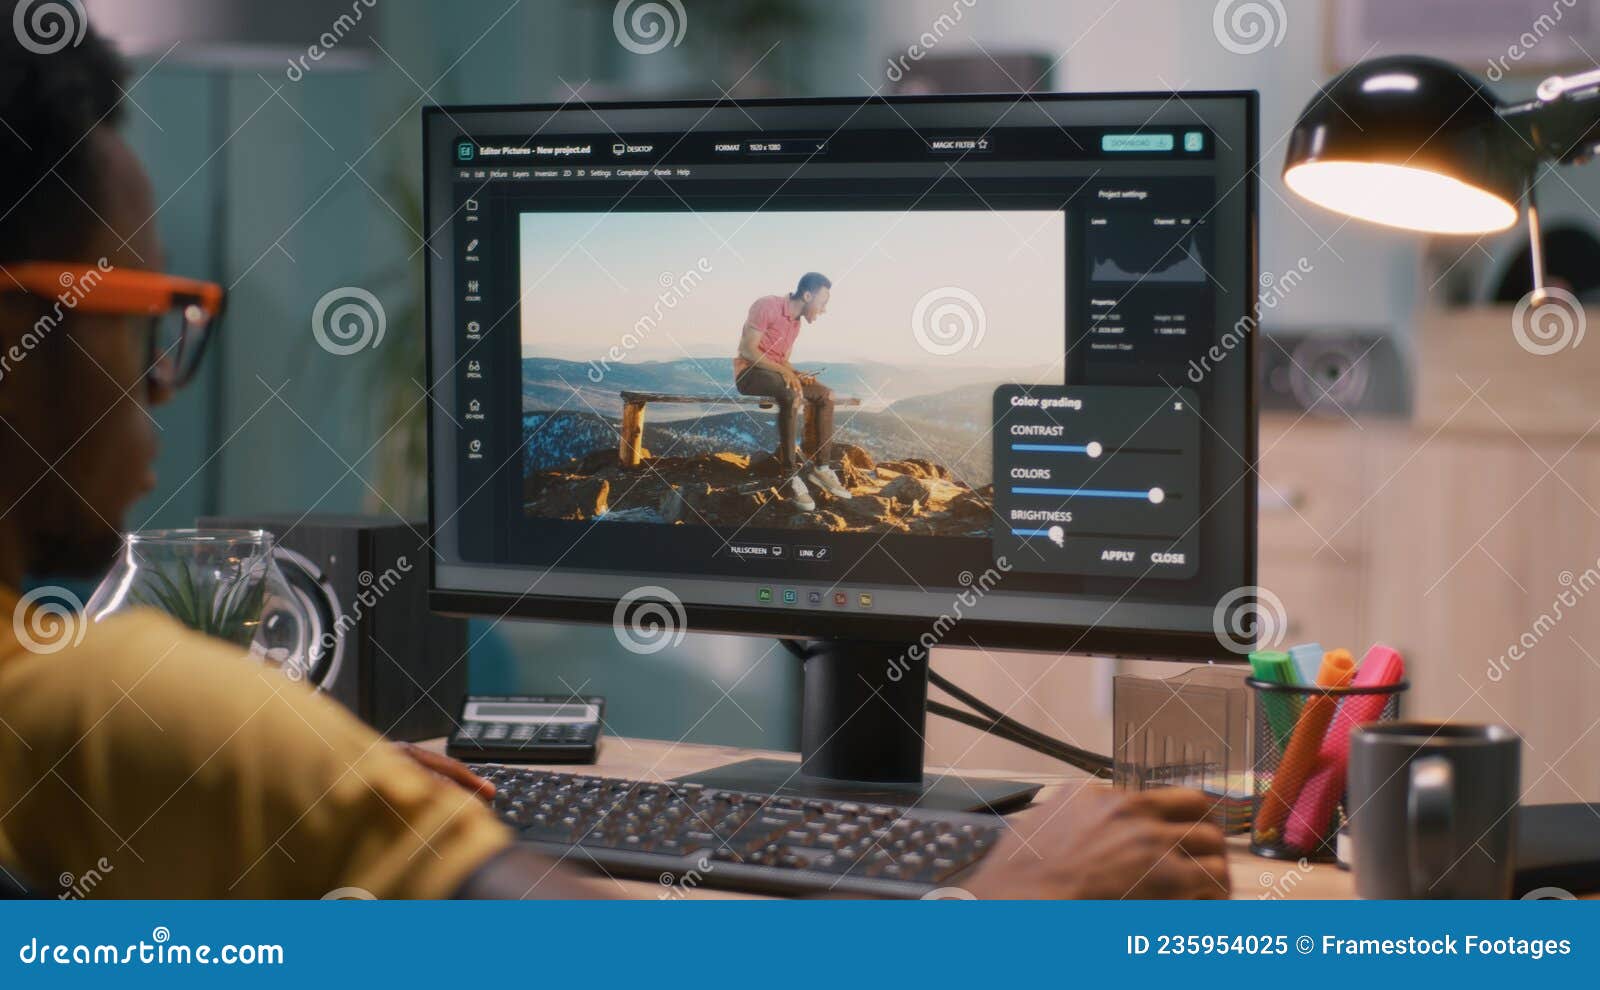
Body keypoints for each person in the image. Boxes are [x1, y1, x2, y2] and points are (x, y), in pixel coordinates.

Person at [0, 13, 1228, 900]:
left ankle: (810, 464)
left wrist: (324, 778)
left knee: (821, 397)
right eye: (143, 321)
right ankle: (802, 467)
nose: (162, 380)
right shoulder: (115, 711)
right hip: (757, 383)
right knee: (802, 396)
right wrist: (989, 903)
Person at [733, 273, 852, 511]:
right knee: (792, 394)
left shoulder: (795, 324)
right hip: (749, 374)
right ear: (807, 295)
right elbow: (747, 350)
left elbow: (783, 362)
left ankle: (822, 468)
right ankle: (789, 475)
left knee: (826, 395)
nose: (824, 310)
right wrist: (785, 374)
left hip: (775, 374)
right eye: (823, 302)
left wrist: (795, 373)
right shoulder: (767, 305)